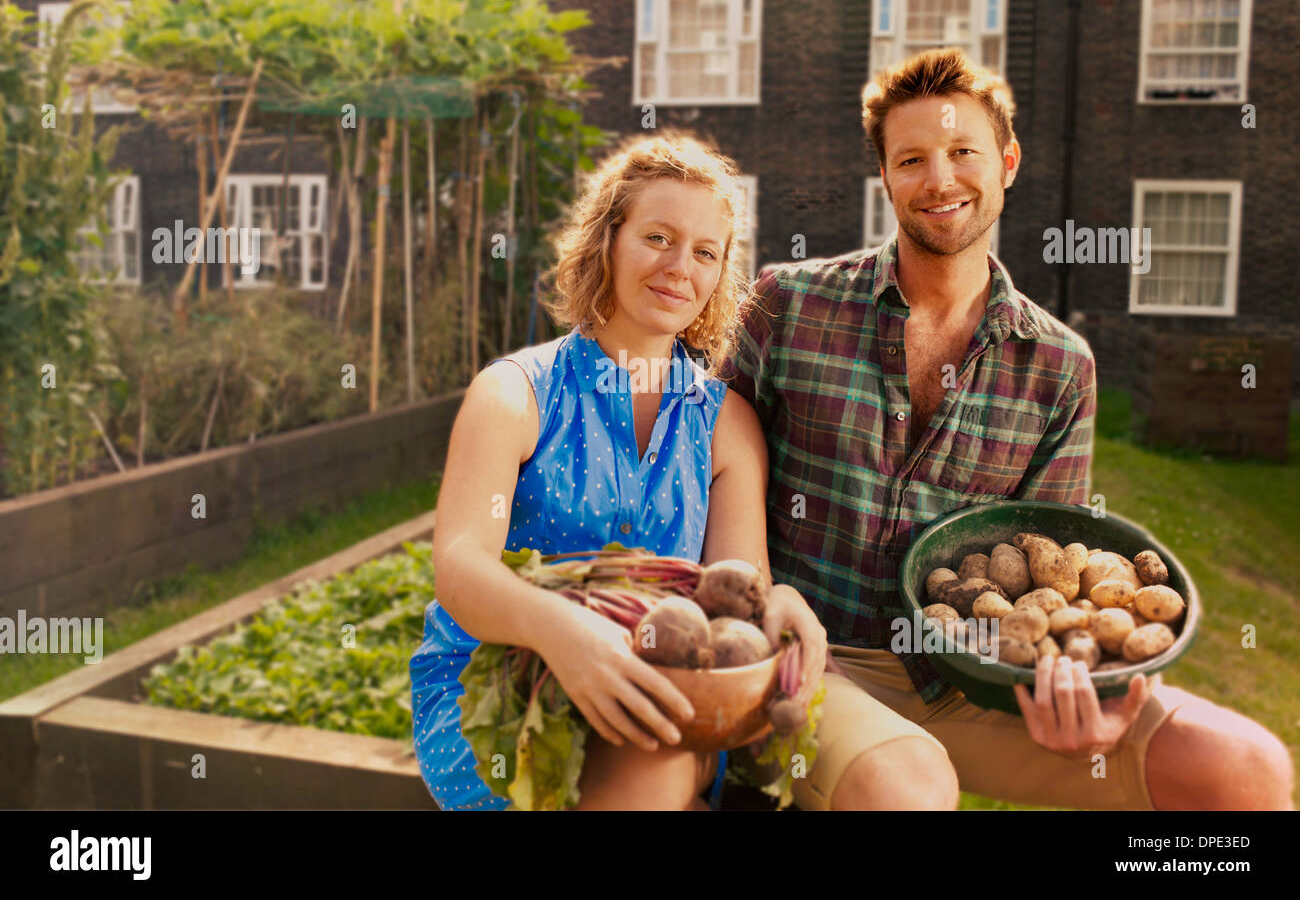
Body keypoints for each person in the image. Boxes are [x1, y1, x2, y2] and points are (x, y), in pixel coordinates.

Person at [722, 47, 1293, 811]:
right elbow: (711, 470)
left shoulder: (1062, 365)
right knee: (908, 793)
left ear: (1009, 161)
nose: (941, 179)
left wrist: (1075, 681)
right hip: (816, 662)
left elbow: (1047, 563)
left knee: (1246, 768)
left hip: (971, 678)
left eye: (964, 152)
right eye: (913, 158)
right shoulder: (788, 306)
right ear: (885, 177)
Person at [410, 133, 827, 811]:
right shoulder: (515, 393)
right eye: (657, 236)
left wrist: (780, 607)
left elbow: (737, 591)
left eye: (704, 252)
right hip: (506, 681)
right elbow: (460, 566)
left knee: (652, 765)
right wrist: (557, 630)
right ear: (607, 241)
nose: (679, 268)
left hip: (664, 686)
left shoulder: (727, 424)